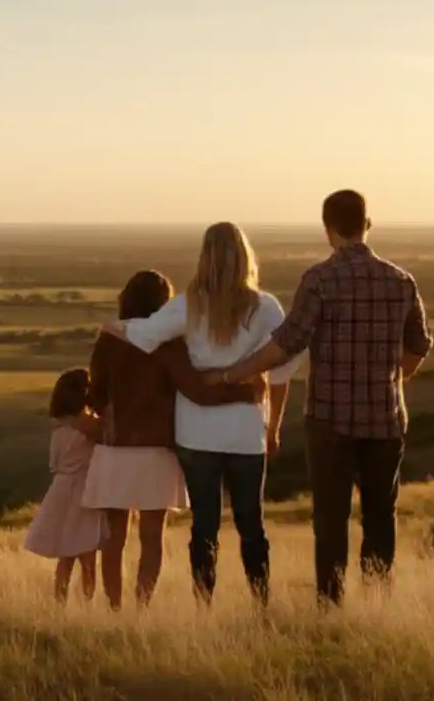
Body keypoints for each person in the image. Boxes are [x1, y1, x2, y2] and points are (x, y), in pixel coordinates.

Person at [208, 190, 433, 607]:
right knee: (381, 518)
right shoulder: (401, 281)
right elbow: (418, 346)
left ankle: (331, 607)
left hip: (330, 420)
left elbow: (285, 345)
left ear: (328, 228)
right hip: (385, 419)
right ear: (368, 224)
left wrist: (231, 373)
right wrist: (392, 376)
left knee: (330, 521)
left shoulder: (320, 280)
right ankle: (378, 604)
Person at [103, 223, 300, 606]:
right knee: (251, 523)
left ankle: (203, 606)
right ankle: (261, 604)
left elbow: (145, 333)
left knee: (204, 526)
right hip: (246, 431)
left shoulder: (188, 305)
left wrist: (110, 327)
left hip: (195, 432)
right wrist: (273, 426)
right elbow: (281, 372)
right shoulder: (265, 307)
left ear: (204, 257)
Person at [85, 269, 267, 610]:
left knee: (114, 538)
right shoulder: (168, 344)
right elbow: (196, 391)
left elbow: (95, 395)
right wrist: (245, 393)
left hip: (114, 449)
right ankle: (141, 609)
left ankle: (113, 609)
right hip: (157, 451)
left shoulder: (110, 340)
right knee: (152, 538)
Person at [23, 368, 107, 603]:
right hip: (83, 493)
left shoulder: (59, 428)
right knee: (88, 557)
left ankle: (59, 605)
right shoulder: (88, 425)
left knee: (66, 557)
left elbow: (55, 464)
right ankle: (86, 605)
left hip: (61, 491)